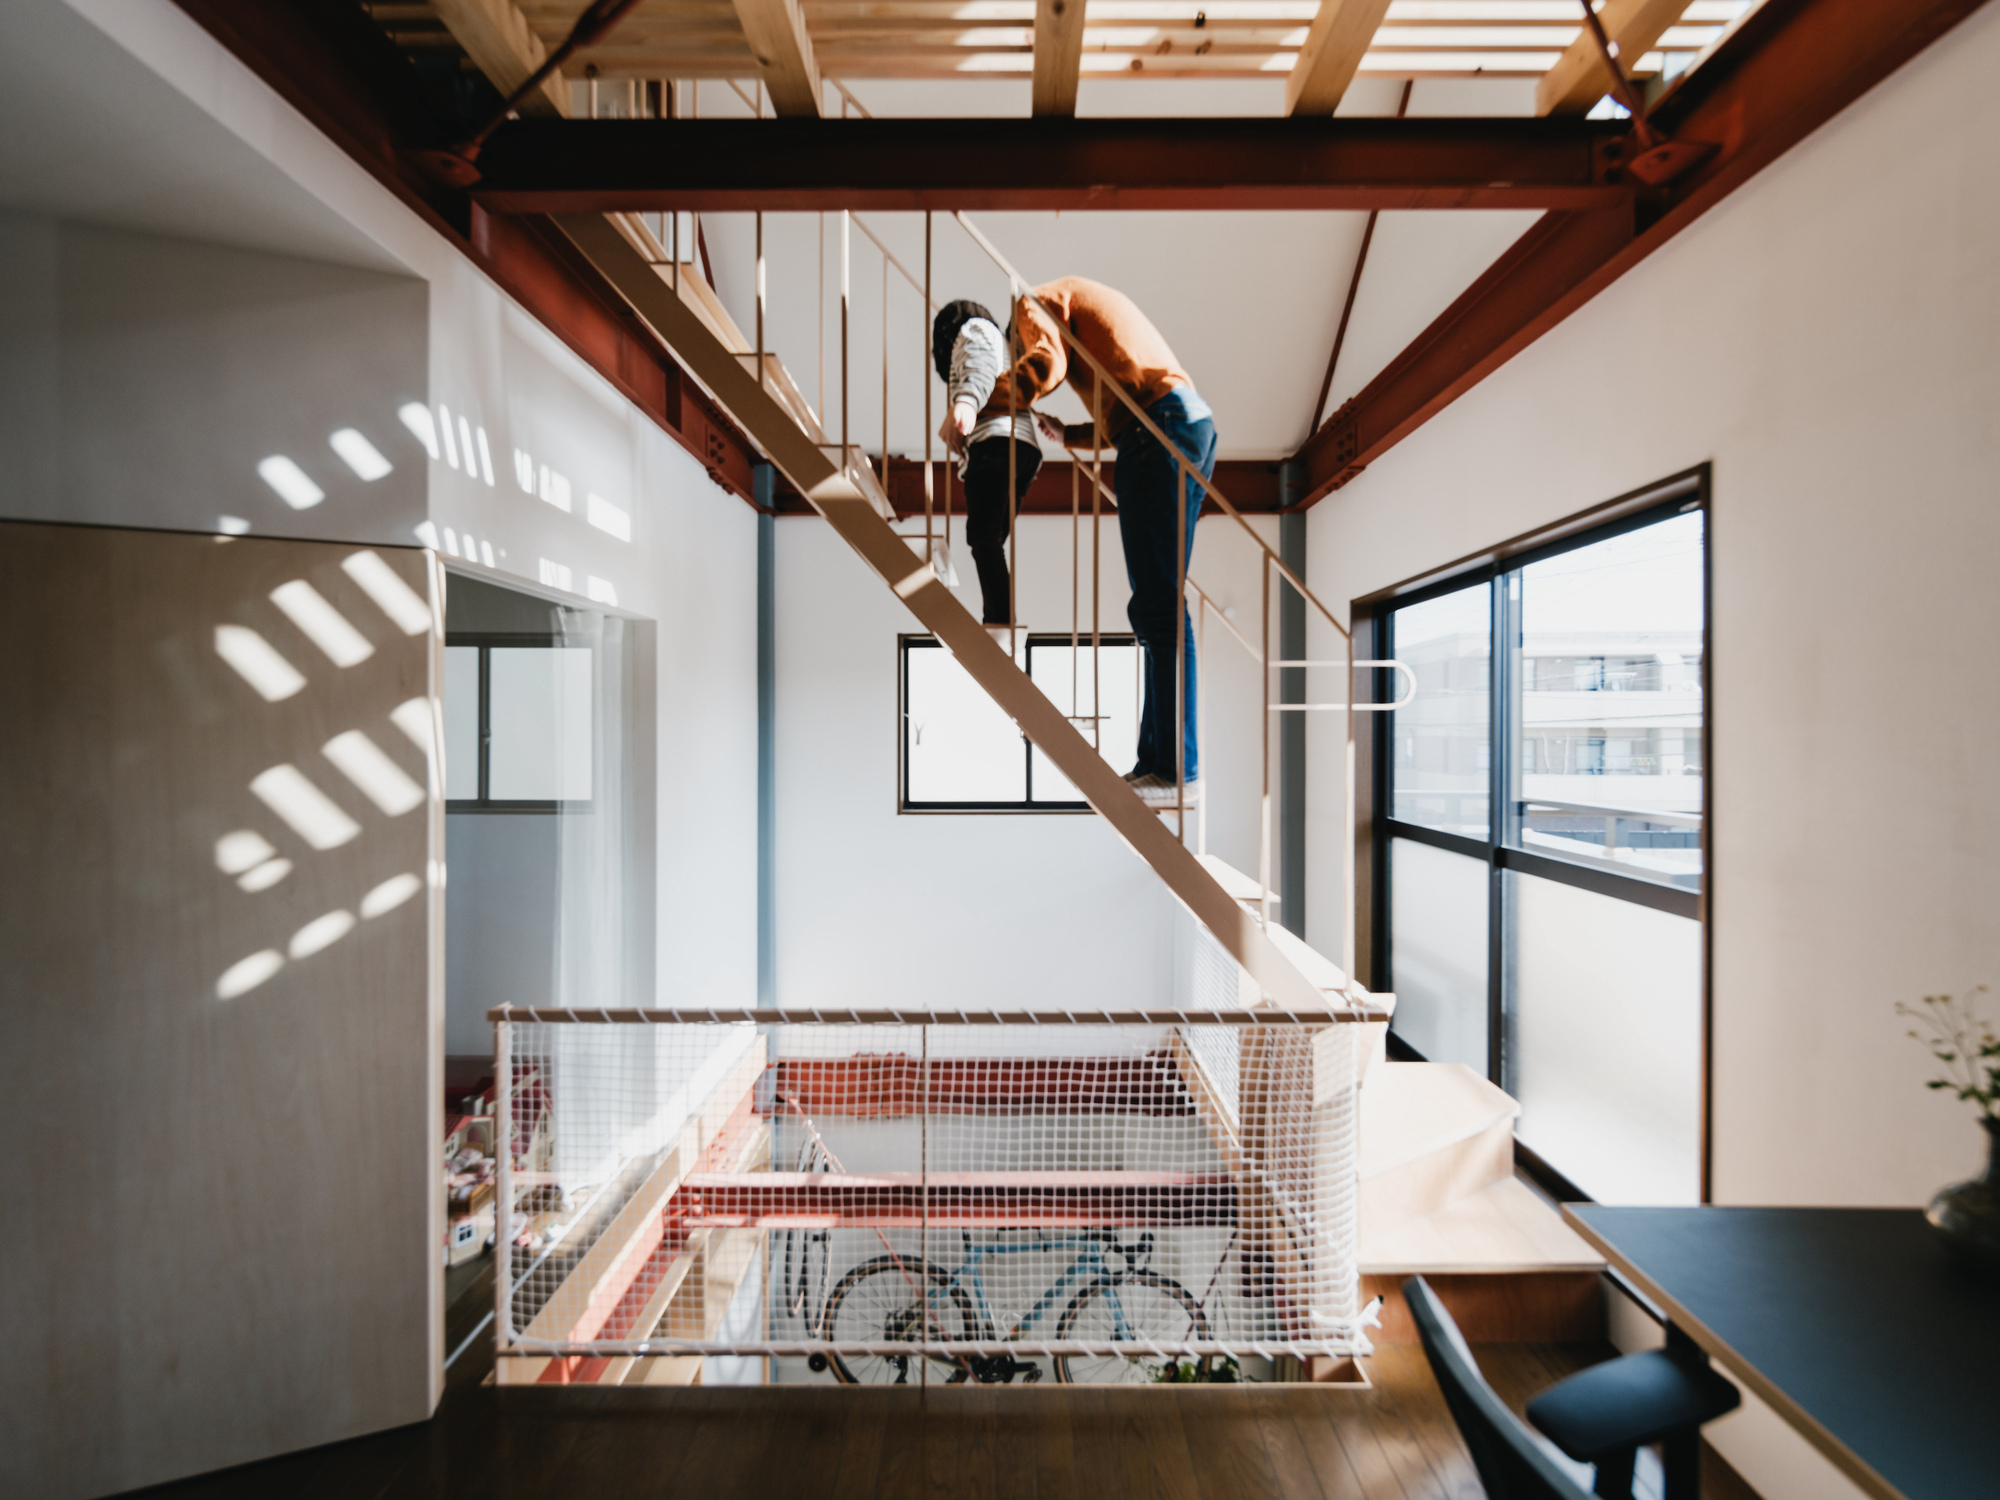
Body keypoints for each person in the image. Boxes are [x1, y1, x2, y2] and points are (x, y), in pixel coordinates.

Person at [1001, 277, 1217, 807]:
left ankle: (1175, 769)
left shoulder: (1031, 304)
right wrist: (1067, 434)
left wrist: (997, 395)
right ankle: (1158, 762)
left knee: (1160, 609)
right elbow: (1117, 418)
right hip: (1176, 426)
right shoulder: (1081, 315)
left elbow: (1046, 360)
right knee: (1154, 611)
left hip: (1159, 430)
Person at [931, 299, 1042, 639]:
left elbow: (977, 367)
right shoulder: (1005, 345)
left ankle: (999, 621)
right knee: (991, 537)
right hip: (1021, 448)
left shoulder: (974, 330)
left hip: (995, 442)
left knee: (983, 536)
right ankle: (999, 617)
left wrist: (964, 402)